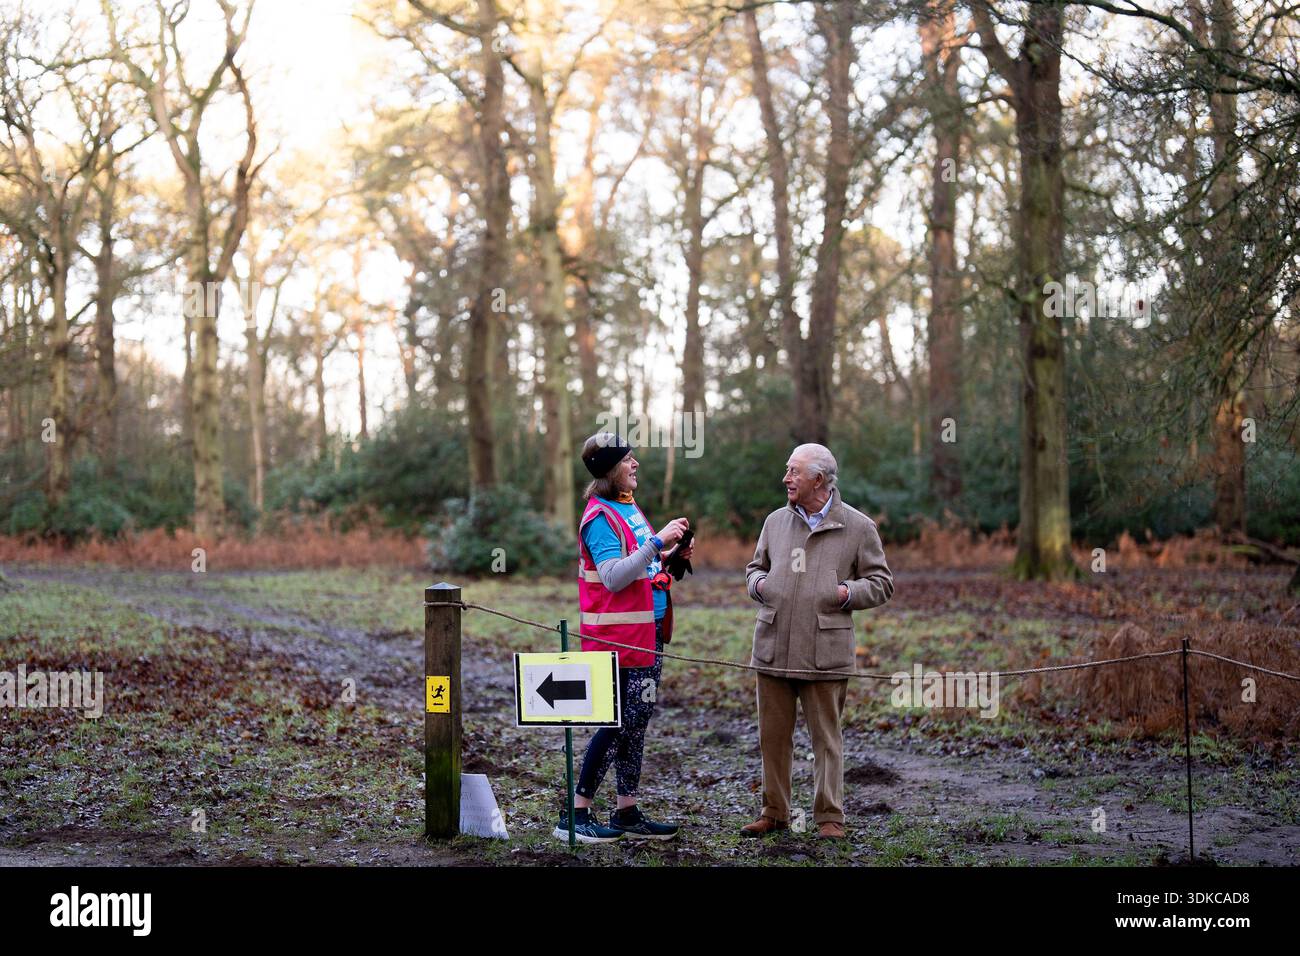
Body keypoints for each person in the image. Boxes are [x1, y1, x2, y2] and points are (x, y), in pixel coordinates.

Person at [741, 443, 894, 839]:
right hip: (773, 646)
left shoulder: (859, 527)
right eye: (787, 470)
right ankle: (774, 811)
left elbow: (881, 583)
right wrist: (759, 584)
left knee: (826, 738)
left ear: (819, 480)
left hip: (825, 652)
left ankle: (830, 817)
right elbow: (755, 567)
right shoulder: (775, 522)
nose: (785, 478)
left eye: (793, 471)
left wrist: (845, 593)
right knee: (772, 737)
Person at [555, 431, 694, 843]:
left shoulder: (627, 508)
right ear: (611, 470)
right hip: (617, 639)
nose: (635, 465)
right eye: (628, 459)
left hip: (648, 632)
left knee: (638, 722)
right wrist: (657, 541)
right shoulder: (600, 517)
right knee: (618, 722)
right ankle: (574, 814)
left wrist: (670, 556)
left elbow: (640, 566)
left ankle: (626, 813)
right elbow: (614, 577)